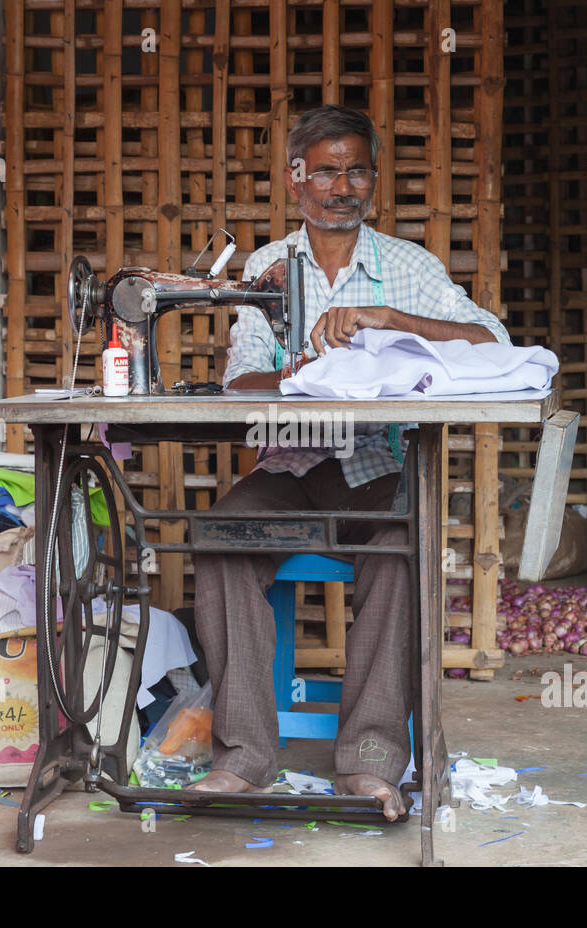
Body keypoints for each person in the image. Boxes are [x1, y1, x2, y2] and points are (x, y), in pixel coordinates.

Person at [189, 104, 510, 820]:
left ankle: (369, 762)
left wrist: (392, 320)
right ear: (294, 179)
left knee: (402, 544)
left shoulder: (406, 267)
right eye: (327, 171)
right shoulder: (268, 269)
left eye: (357, 170)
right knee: (218, 537)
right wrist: (298, 374)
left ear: (374, 179)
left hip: (373, 473)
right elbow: (239, 379)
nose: (344, 186)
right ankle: (244, 757)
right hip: (286, 472)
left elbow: (492, 340)